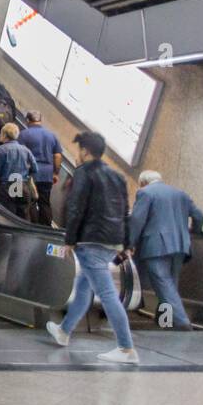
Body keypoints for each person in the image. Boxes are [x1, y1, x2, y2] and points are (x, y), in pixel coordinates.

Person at [45, 131, 138, 364]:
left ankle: (126, 348)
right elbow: (125, 211)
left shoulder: (84, 173)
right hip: (111, 240)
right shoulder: (116, 176)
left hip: (91, 240)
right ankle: (64, 331)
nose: (77, 155)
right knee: (84, 286)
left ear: (85, 151)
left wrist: (70, 240)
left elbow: (76, 208)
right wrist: (127, 243)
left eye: (79, 150)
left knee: (106, 293)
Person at [128, 171, 203, 330]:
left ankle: (182, 323)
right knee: (170, 284)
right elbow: (199, 216)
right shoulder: (180, 194)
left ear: (143, 182)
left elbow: (136, 220)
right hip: (180, 246)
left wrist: (129, 243)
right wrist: (192, 232)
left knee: (163, 284)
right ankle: (164, 320)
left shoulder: (145, 193)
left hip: (157, 246)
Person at [17, 111, 63, 226]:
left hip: (30, 174)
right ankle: (46, 227)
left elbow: (19, 154)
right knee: (44, 202)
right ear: (40, 120)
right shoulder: (51, 135)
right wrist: (56, 173)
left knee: (30, 201)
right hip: (47, 174)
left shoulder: (23, 134)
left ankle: (34, 226)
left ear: (28, 120)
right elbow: (57, 156)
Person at [0, 122, 37, 218]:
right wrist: (26, 174)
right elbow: (35, 168)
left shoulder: (1, 150)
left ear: (4, 135)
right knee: (23, 216)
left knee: (7, 216)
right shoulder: (25, 149)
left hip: (7, 186)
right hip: (21, 185)